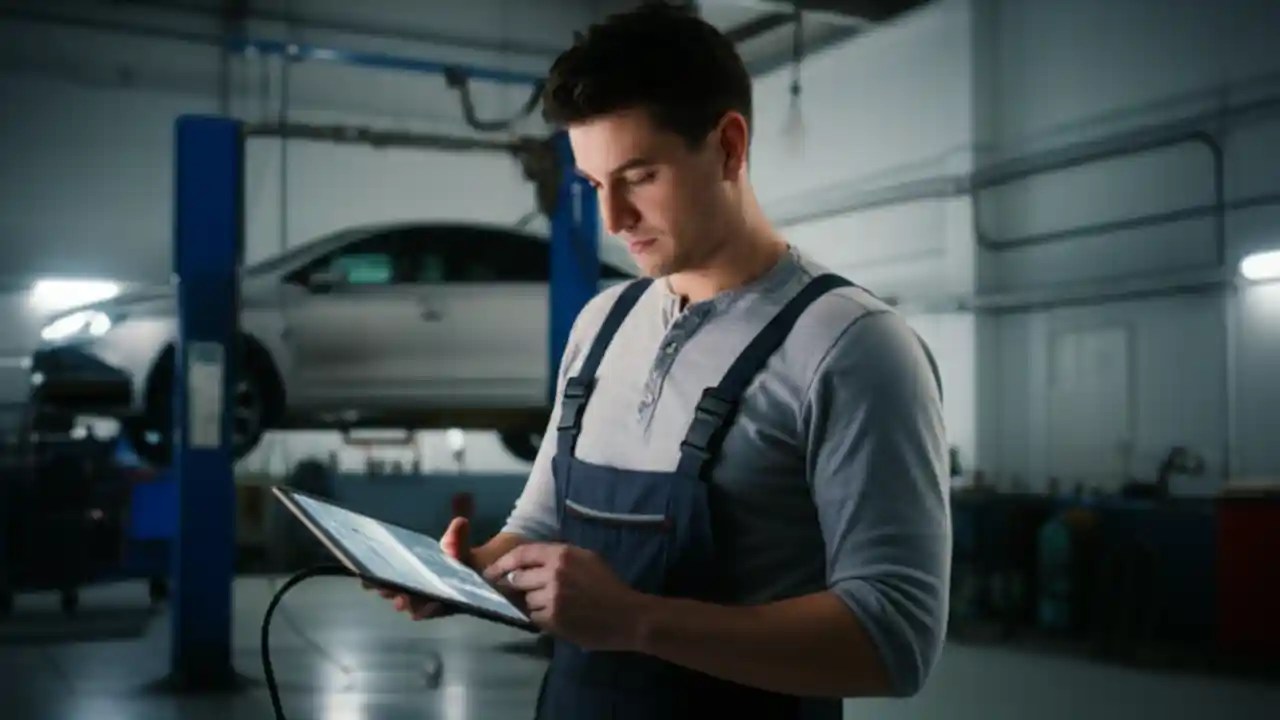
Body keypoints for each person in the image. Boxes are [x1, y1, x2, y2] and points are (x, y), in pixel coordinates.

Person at [372, 3, 951, 717]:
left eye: (639, 175)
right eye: (593, 185)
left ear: (730, 147)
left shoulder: (853, 347)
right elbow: (545, 521)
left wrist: (636, 620)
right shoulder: (601, 325)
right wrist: (472, 574)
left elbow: (896, 638)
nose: (613, 219)